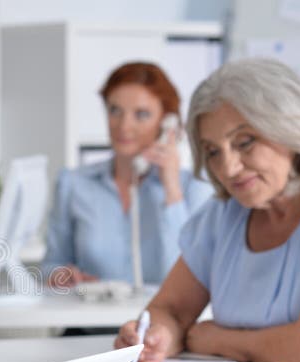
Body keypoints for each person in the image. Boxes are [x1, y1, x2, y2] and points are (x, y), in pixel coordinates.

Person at [115, 58, 300, 362]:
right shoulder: (224, 213)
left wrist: (217, 340)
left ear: (291, 129)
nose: (229, 168)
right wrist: (155, 337)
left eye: (245, 143)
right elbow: (172, 311)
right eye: (213, 152)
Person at [42, 62, 212, 287]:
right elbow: (51, 264)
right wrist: (61, 275)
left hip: (163, 311)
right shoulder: (73, 184)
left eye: (141, 114)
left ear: (166, 125)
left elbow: (192, 274)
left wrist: (172, 191)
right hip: (91, 310)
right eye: (115, 111)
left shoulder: (194, 188)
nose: (124, 125)